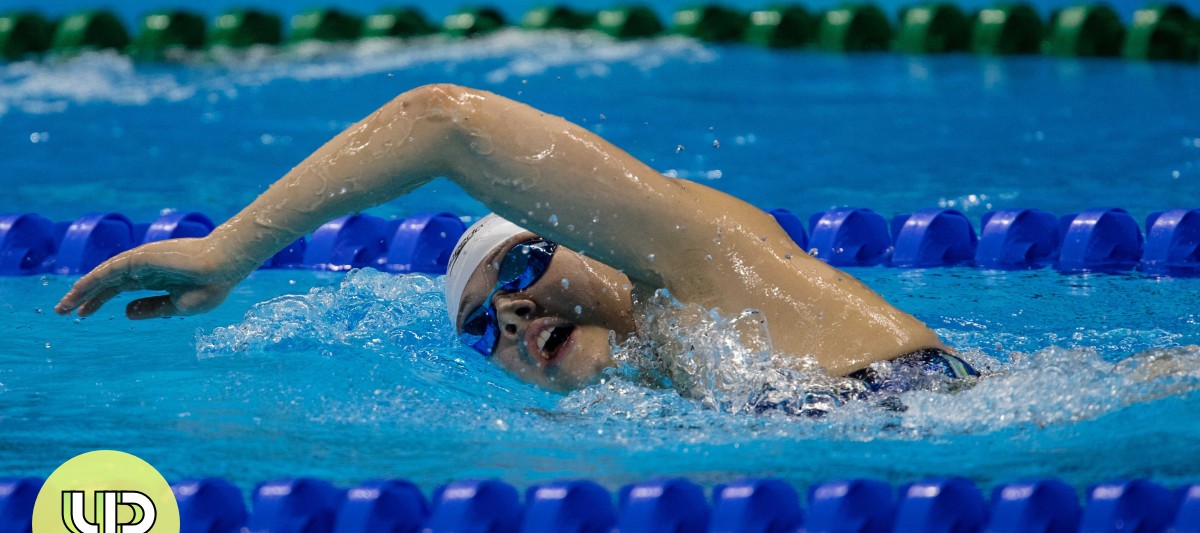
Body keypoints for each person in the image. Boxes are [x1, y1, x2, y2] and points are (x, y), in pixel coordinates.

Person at [55, 83, 975, 399]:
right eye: (478, 327)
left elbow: (443, 121)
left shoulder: (702, 263)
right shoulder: (691, 382)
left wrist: (230, 251)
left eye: (524, 262)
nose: (509, 310)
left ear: (589, 236)